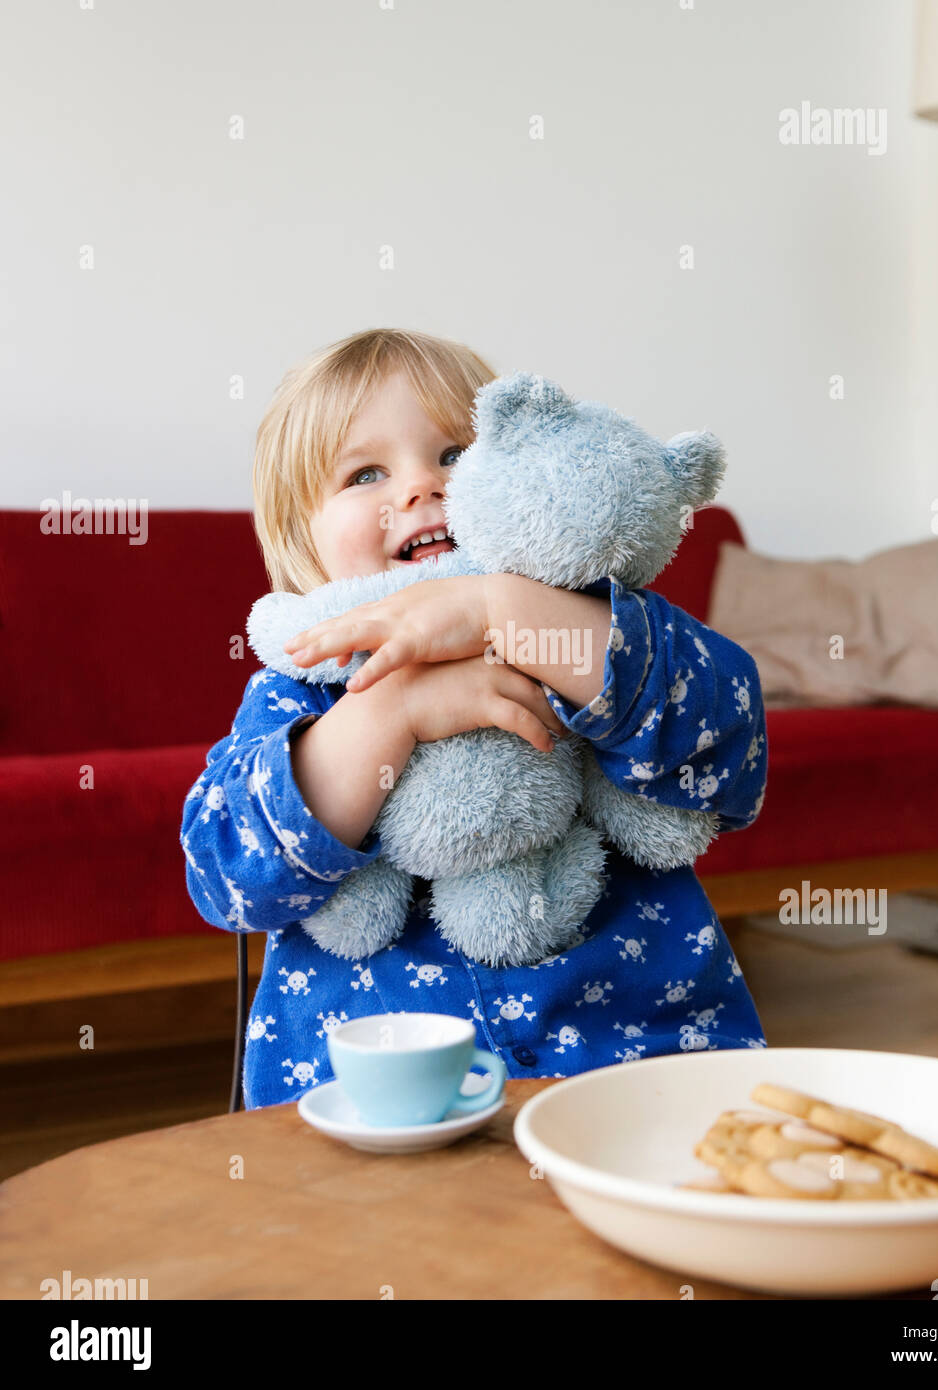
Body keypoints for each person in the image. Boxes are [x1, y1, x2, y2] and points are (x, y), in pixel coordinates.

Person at [180, 327, 768, 1109]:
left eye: (454, 455)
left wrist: (497, 608)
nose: (422, 486)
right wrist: (392, 708)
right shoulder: (301, 685)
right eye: (364, 473)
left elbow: (730, 750)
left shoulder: (596, 627)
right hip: (373, 1101)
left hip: (635, 1066)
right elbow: (227, 878)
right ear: (302, 543)